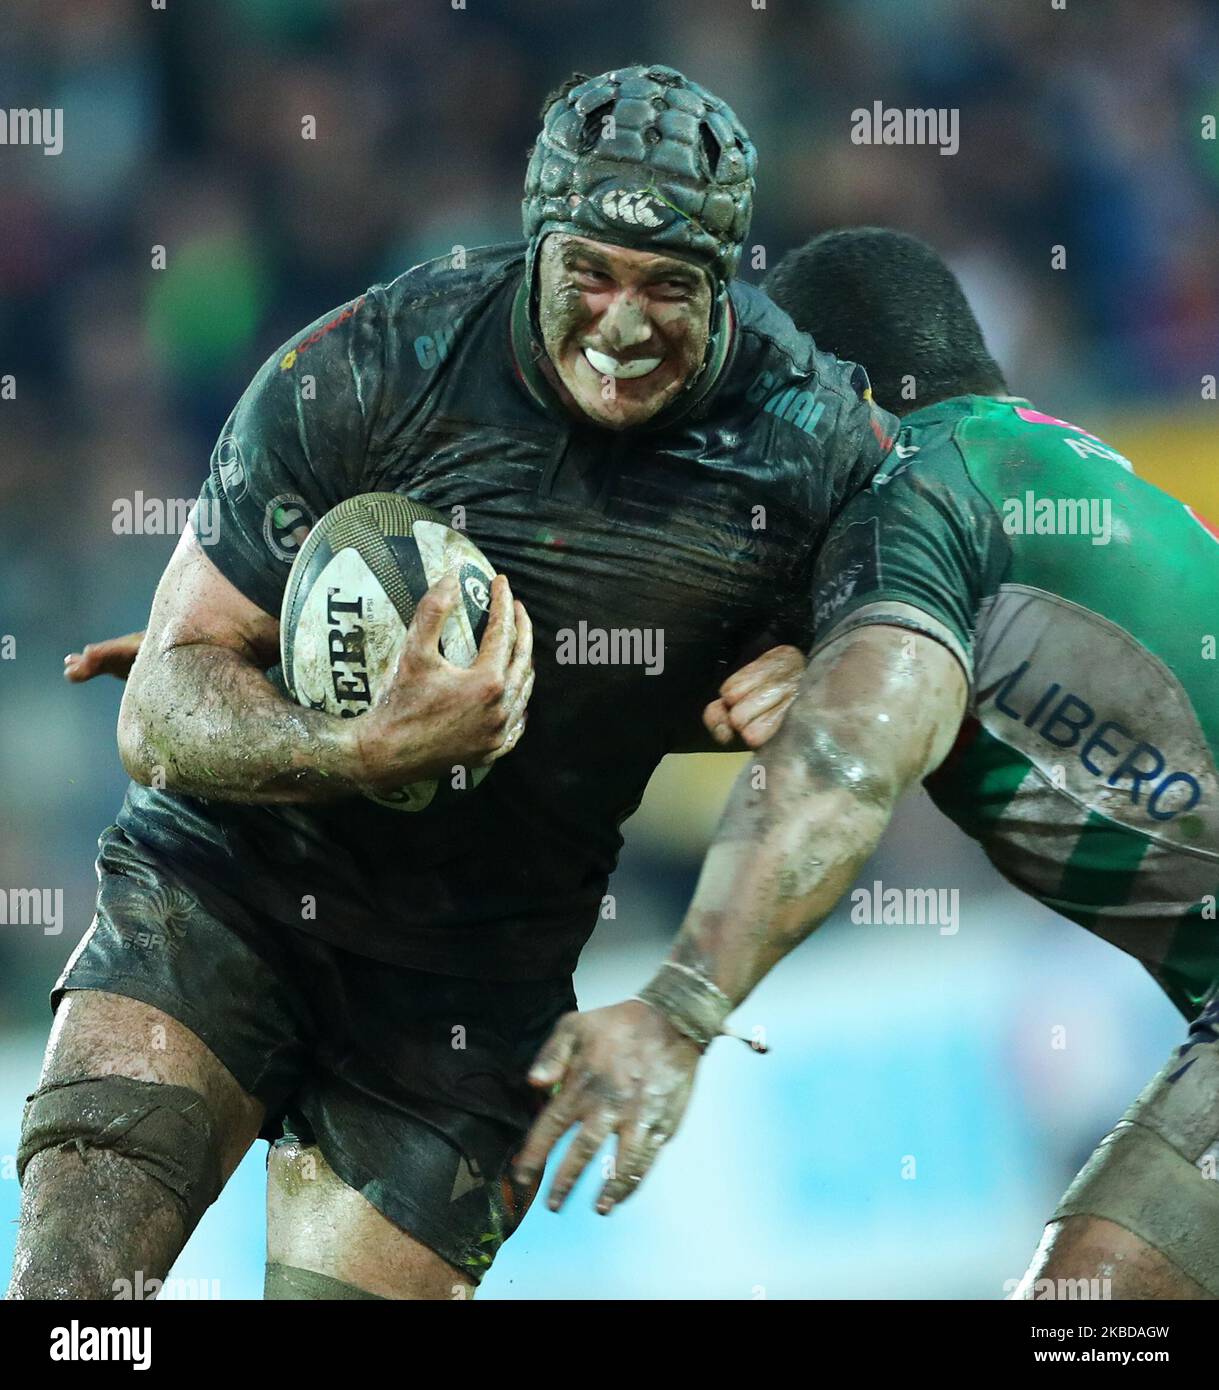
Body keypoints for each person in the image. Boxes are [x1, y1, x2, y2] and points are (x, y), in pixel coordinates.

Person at [10, 72, 896, 1301]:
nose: (625, 322)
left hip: (472, 987)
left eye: (668, 287)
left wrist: (834, 660)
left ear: (728, 281)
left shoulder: (811, 443)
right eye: (591, 271)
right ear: (535, 244)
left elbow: (926, 659)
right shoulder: (372, 364)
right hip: (227, 894)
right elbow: (158, 706)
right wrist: (362, 751)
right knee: (71, 1302)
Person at [521, 227, 1219, 1300]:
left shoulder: (912, 493)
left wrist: (678, 1009)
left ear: (838, 390)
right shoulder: (1026, 467)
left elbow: (845, 763)